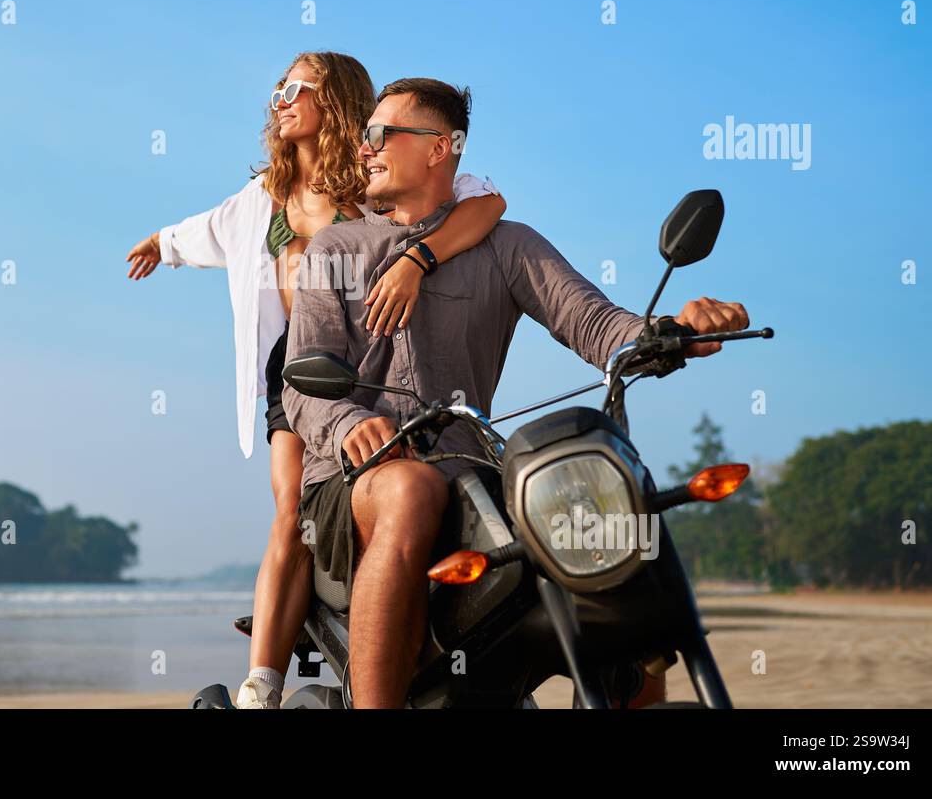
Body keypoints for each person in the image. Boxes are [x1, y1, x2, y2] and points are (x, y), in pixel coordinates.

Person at [283, 77, 751, 708]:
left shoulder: (507, 245)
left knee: (608, 520)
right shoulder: (335, 249)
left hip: (471, 469)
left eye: (380, 133)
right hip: (358, 478)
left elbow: (593, 323)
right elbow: (303, 387)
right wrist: (346, 425)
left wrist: (670, 331)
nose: (364, 147)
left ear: (439, 148)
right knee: (412, 485)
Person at [124, 54, 508, 708]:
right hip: (298, 375)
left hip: (378, 370)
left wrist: (419, 256)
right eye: (277, 87)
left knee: (417, 493)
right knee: (292, 515)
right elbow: (205, 232)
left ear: (334, 99)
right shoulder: (261, 199)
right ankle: (261, 684)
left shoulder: (372, 179)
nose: (281, 97)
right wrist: (162, 242)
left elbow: (486, 205)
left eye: (297, 87)